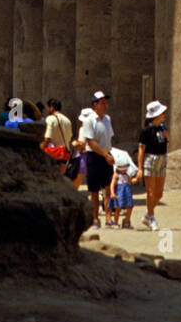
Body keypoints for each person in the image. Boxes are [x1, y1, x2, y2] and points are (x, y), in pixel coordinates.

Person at [81, 91, 115, 229]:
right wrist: (104, 155)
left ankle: (108, 217)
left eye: (106, 102)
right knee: (94, 190)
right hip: (94, 157)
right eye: (102, 103)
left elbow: (109, 137)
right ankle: (95, 218)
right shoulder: (89, 120)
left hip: (106, 156)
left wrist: (109, 154)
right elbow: (90, 141)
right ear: (95, 105)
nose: (105, 105)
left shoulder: (107, 119)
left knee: (108, 188)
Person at [137, 100, 169, 230]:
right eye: (162, 113)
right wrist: (140, 168)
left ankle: (147, 215)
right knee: (150, 192)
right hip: (150, 159)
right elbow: (141, 149)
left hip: (162, 158)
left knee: (159, 193)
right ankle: (152, 216)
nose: (164, 115)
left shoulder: (162, 128)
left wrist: (167, 137)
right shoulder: (146, 131)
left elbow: (166, 143)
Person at [108, 146, 139, 228]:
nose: (125, 170)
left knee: (130, 206)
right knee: (118, 208)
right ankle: (115, 222)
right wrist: (112, 193)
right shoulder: (116, 175)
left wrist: (136, 179)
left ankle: (127, 220)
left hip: (127, 192)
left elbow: (130, 181)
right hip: (119, 193)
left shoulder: (126, 174)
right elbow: (112, 184)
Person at [41, 97, 73, 171]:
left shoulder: (50, 119)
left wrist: (41, 148)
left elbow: (48, 138)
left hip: (52, 154)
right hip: (64, 154)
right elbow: (70, 136)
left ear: (51, 108)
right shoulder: (67, 120)